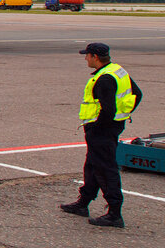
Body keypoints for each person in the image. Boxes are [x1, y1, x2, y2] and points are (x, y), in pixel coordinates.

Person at [60, 42, 143, 228]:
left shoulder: (104, 79)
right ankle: (83, 203)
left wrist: (98, 128)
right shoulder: (118, 71)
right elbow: (137, 94)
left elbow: (108, 109)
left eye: (87, 55)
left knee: (106, 169)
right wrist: (122, 116)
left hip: (102, 131)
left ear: (95, 57)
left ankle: (114, 213)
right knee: (92, 166)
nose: (85, 58)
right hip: (111, 127)